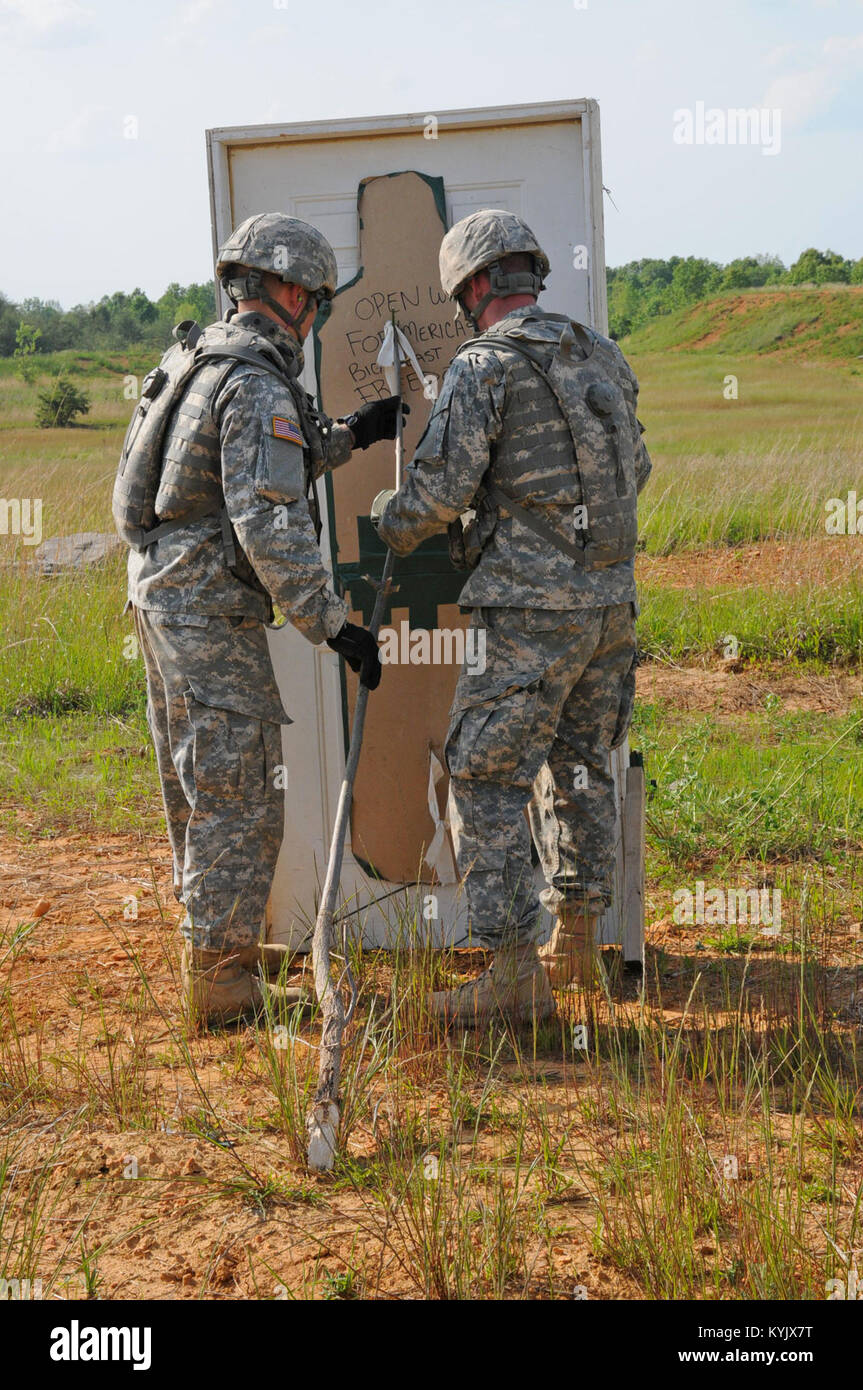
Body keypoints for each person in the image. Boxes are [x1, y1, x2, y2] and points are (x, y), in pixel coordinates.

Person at [120, 212, 403, 1026]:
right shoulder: (254, 382)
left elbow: (237, 466)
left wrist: (349, 436)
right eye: (313, 298)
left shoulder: (197, 359)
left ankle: (214, 961)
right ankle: (222, 987)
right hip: (208, 608)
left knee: (199, 788)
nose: (314, 314)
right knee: (239, 798)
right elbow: (268, 518)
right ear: (282, 287)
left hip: (162, 596)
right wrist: (332, 624)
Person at [372, 209, 651, 1026]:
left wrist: (393, 513)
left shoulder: (484, 365)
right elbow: (637, 468)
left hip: (529, 615)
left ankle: (508, 974)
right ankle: (576, 945)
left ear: (474, 288)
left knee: (486, 777)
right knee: (579, 766)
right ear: (530, 273)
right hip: (609, 607)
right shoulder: (598, 352)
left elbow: (438, 493)